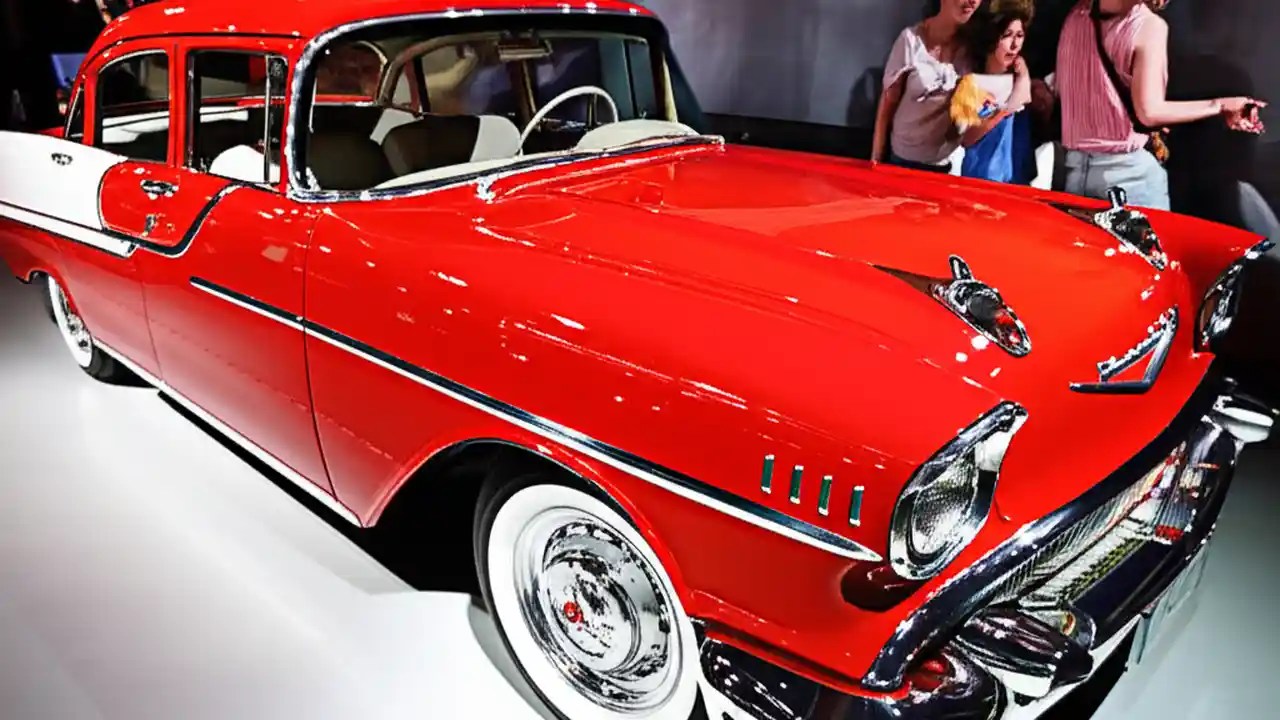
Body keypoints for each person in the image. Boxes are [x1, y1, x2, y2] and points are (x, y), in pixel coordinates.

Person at [1044, 0, 1266, 210]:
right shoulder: (1148, 27)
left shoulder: (1076, 17)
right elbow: (1149, 112)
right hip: (1129, 180)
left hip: (1075, 176)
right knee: (1145, 252)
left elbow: (1065, 91)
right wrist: (1221, 105)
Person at [872, 0, 982, 173]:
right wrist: (876, 160)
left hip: (943, 166)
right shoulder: (911, 40)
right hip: (902, 161)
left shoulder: (973, 49)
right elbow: (888, 102)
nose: (973, 1)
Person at [951, 2, 1036, 184]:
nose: (1014, 45)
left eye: (1019, 36)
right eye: (1007, 36)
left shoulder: (1022, 81)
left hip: (1018, 187)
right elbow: (965, 138)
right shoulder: (971, 84)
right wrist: (1003, 111)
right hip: (980, 185)